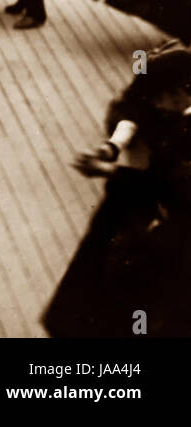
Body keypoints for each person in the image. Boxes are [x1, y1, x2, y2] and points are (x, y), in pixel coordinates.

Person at [43, 41, 191, 337]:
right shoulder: (171, 74)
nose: (155, 106)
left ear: (178, 95)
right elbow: (131, 105)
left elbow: (173, 187)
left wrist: (112, 170)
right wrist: (112, 149)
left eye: (159, 99)